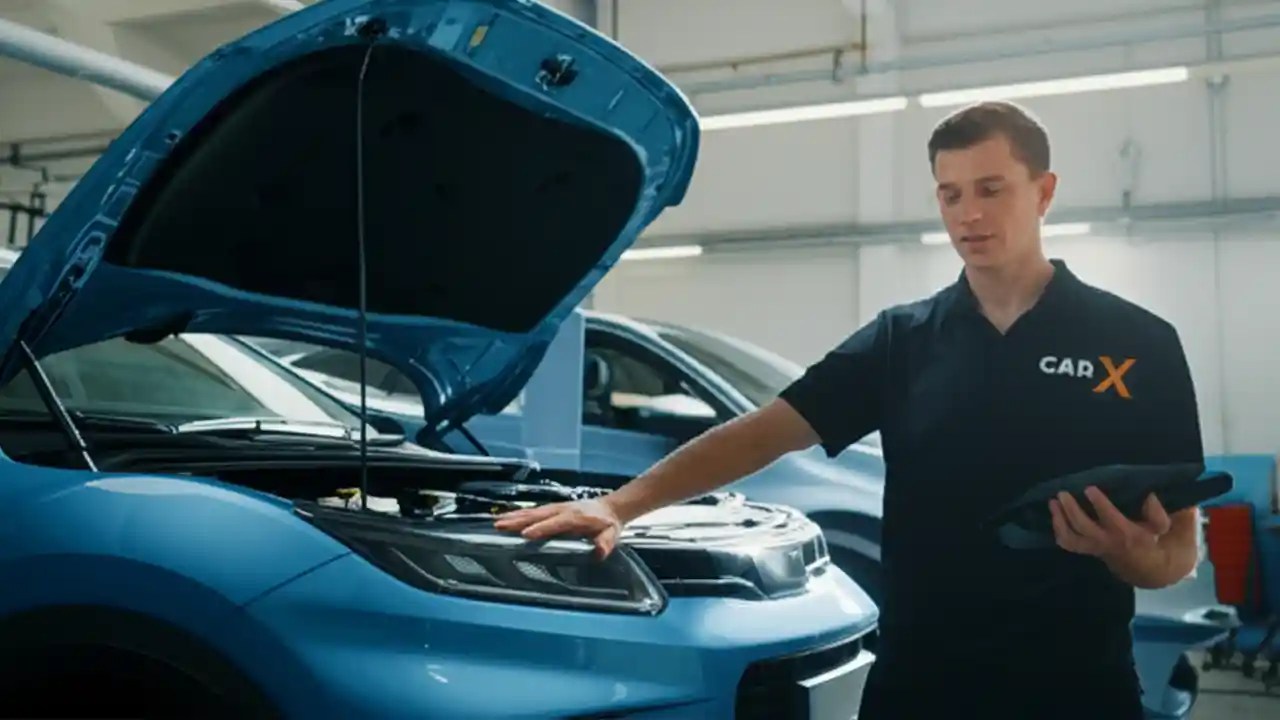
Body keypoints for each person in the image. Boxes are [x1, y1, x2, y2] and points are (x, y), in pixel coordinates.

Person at [494, 100, 1204, 719]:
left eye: (991, 189)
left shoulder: (1137, 344)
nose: (970, 214)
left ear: (1044, 192)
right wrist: (622, 505)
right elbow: (764, 432)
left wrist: (1132, 557)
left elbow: (1176, 551)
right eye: (950, 194)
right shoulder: (904, 341)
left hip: (1075, 690)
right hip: (922, 688)